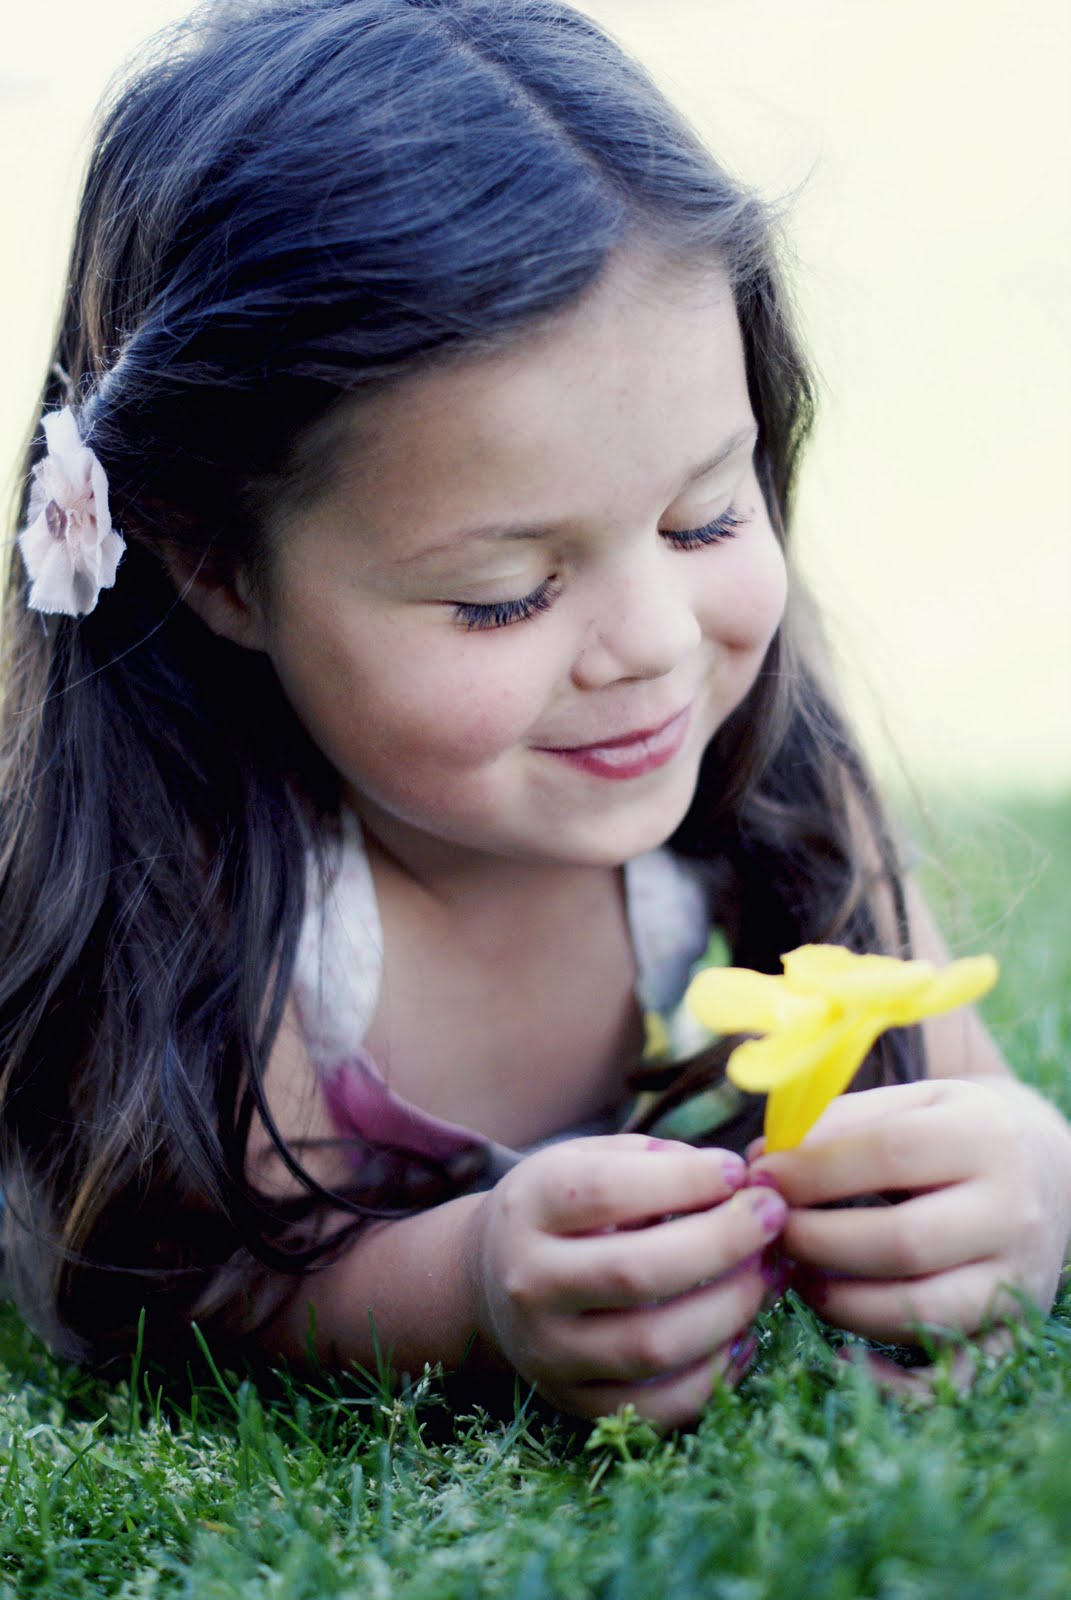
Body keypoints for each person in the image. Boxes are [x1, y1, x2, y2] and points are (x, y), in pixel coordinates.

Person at [1, 0, 1068, 1430]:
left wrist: (1023, 1190)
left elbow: (980, 1108)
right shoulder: (206, 869)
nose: (650, 644)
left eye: (705, 518)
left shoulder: (749, 763)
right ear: (214, 563)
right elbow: (196, 1277)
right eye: (505, 594)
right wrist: (479, 1290)